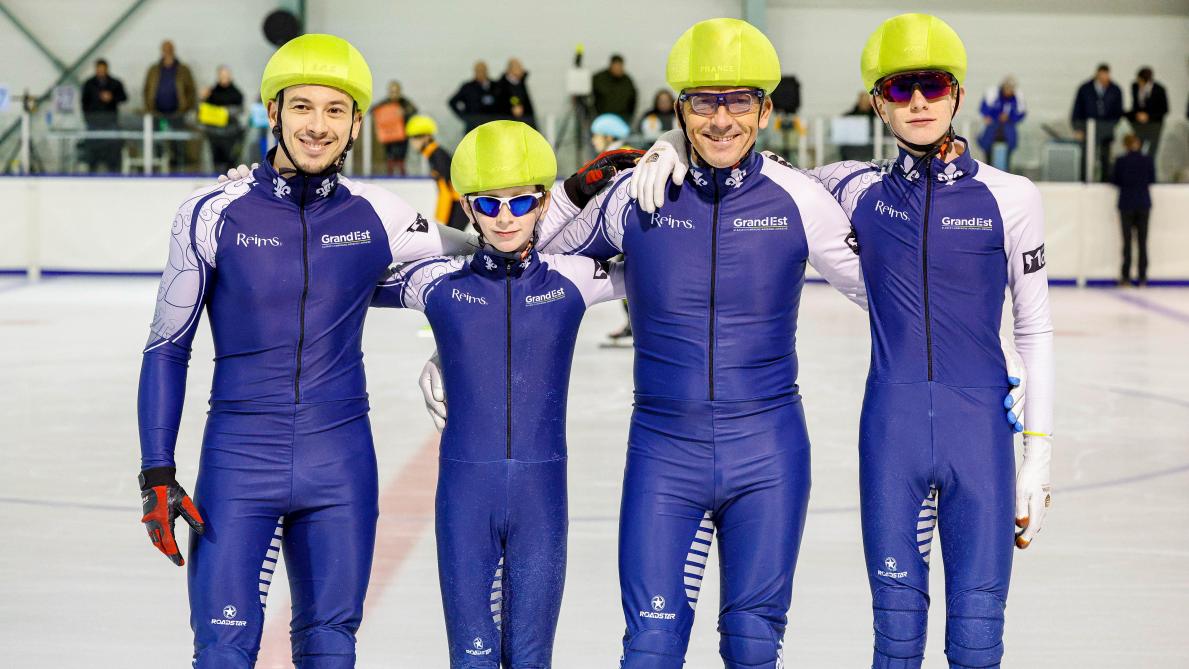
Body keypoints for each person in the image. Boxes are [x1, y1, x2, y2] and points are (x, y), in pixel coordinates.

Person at [633, 13, 1053, 669]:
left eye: (933, 85)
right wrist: (666, 144)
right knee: (894, 642)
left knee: (976, 641)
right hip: (892, 434)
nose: (917, 101)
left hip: (981, 435)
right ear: (876, 102)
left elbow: (1035, 324)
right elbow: (746, 159)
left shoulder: (1012, 197)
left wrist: (1038, 453)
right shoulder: (849, 187)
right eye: (898, 88)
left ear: (957, 95)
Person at [135, 34, 478, 668]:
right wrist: (156, 471)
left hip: (340, 463)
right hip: (239, 462)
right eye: (301, 107)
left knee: (329, 649)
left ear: (354, 125)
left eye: (334, 111)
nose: (317, 126)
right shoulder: (211, 212)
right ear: (273, 112)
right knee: (221, 652)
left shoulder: (382, 214)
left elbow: (493, 245)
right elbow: (166, 347)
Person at [534, 19, 868, 668]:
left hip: (767, 453)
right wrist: (581, 185)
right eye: (702, 101)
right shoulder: (636, 197)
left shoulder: (799, 199)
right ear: (677, 107)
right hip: (664, 454)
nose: (721, 119)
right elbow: (530, 260)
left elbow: (893, 299)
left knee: (751, 647)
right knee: (651, 648)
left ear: (765, 109)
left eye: (738, 100)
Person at [375, 120, 626, 668]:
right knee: (472, 659)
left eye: (521, 203)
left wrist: (670, 155)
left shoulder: (575, 276)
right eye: (489, 206)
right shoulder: (437, 280)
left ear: (542, 204)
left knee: (532, 660)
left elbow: (674, 259)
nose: (505, 217)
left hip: (542, 497)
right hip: (466, 497)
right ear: (468, 209)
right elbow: (330, 272)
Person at [406, 115, 469, 230]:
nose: (412, 142)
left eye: (416, 137)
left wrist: (439, 219)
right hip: (458, 204)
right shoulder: (435, 154)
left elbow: (446, 191)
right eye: (411, 138)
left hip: (459, 204)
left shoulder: (437, 156)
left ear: (426, 137)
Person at [143, 40, 197, 167]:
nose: (167, 52)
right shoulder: (154, 69)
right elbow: (146, 89)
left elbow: (191, 90)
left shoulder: (183, 69)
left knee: (178, 142)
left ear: (173, 50)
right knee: (157, 140)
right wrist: (149, 107)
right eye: (165, 49)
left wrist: (186, 107)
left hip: (177, 113)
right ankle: (158, 165)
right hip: (157, 113)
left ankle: (179, 165)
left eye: (169, 49)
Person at [1113, 133, 1156, 286]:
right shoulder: (1147, 160)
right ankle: (1142, 277)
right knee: (1142, 242)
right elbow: (1152, 179)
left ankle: (1126, 277)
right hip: (1143, 204)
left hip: (1126, 204)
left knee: (1127, 242)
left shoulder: (1121, 161)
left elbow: (1116, 180)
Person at [1071, 64, 1123, 182]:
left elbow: (1118, 111)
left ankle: (1105, 180)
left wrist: (1112, 124)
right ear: (1097, 74)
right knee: (1087, 155)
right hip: (1088, 128)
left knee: (1106, 156)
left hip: (1106, 128)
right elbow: (1077, 109)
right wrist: (1077, 128)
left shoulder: (1115, 90)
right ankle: (1085, 180)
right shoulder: (1085, 88)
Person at [80, 58, 127, 172]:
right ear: (96, 69)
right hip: (94, 122)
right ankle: (92, 169)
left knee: (113, 147)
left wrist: (112, 98)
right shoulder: (89, 84)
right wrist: (88, 117)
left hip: (111, 122)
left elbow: (124, 97)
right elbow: (83, 103)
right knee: (92, 147)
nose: (101, 71)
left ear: (107, 69)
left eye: (103, 69)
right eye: (99, 69)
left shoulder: (115, 83)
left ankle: (114, 170)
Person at [199, 65, 245, 175]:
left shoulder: (236, 93)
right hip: (213, 133)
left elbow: (239, 110)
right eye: (222, 76)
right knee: (216, 161)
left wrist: (222, 113)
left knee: (231, 162)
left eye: (226, 76)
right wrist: (202, 98)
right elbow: (203, 112)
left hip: (231, 134)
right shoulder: (211, 92)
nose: (224, 78)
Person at [977, 76, 1026, 172]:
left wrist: (1011, 118)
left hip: (1008, 125)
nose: (1009, 91)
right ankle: (987, 168)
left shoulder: (1017, 96)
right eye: (1007, 88)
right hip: (993, 125)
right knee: (987, 144)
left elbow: (1021, 113)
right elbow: (984, 108)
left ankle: (1007, 170)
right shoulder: (993, 93)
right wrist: (989, 116)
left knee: (1010, 144)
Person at [371, 80, 418, 175]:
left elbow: (414, 110)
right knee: (390, 158)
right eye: (392, 92)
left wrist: (404, 112)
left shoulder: (404, 103)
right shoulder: (384, 103)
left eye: (396, 92)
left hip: (402, 136)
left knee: (401, 158)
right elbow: (372, 110)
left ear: (400, 92)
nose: (394, 94)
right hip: (388, 136)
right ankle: (390, 175)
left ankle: (402, 176)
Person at [1127, 67, 1169, 161]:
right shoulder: (1135, 86)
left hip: (1154, 124)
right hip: (1139, 124)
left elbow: (1165, 109)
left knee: (1152, 152)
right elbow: (1135, 105)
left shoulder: (1159, 89)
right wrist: (1138, 115)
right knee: (1136, 149)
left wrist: (1148, 116)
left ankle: (1148, 172)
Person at [449, 60, 499, 132]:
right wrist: (464, 116)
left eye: (482, 70)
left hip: (492, 126)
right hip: (473, 127)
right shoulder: (467, 87)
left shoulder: (496, 86)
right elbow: (452, 102)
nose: (480, 73)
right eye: (478, 71)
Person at [591, 54, 637, 125]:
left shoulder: (627, 81)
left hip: (622, 118)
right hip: (602, 118)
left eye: (620, 66)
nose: (618, 69)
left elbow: (633, 100)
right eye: (616, 66)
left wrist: (629, 116)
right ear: (611, 65)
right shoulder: (599, 79)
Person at [494, 58, 536, 128]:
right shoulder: (501, 86)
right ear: (510, 69)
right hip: (507, 124)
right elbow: (504, 102)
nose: (522, 70)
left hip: (523, 123)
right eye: (519, 67)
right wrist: (512, 107)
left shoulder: (521, 84)